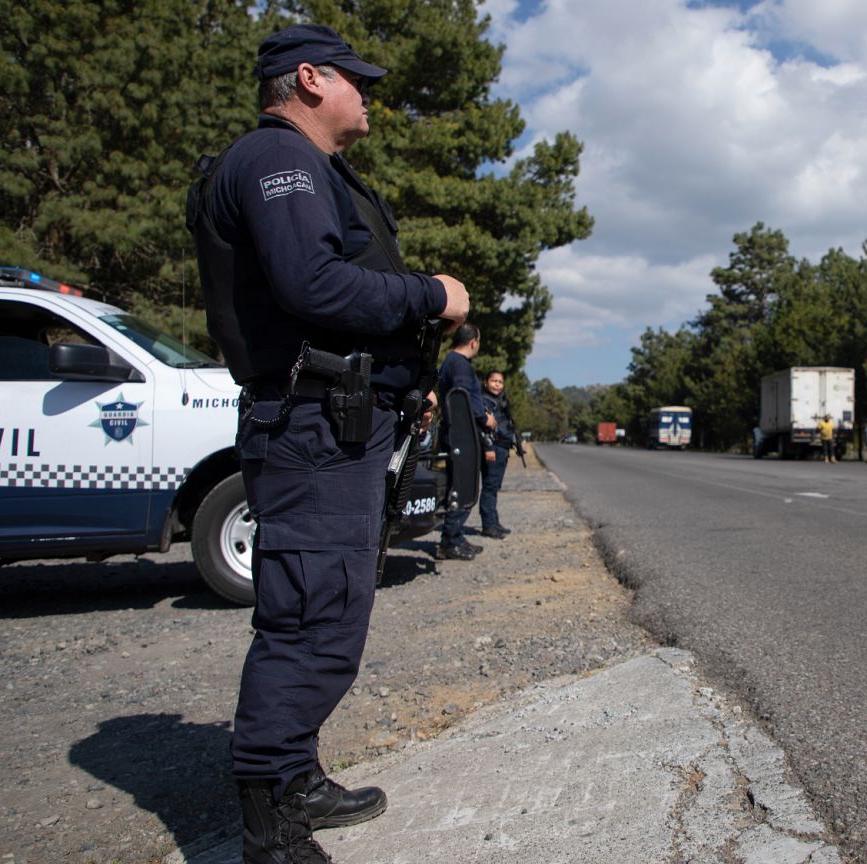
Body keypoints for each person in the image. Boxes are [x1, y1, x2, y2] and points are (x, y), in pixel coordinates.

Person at [187, 23, 470, 863]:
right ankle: (272, 828)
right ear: (310, 79)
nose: (369, 95)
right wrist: (432, 295)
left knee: (329, 610)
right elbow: (312, 284)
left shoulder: (308, 165)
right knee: (312, 617)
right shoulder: (279, 159)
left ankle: (295, 774)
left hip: (333, 422)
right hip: (312, 425)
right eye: (357, 80)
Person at [436, 323, 495, 559]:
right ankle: (450, 541)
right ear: (473, 342)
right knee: (463, 486)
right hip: (461, 434)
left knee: (460, 484)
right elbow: (461, 398)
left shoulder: (450, 362)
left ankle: (456, 536)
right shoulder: (460, 365)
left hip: (455, 432)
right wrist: (484, 417)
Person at [479, 369, 520, 538]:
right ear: (486, 383)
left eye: (500, 382)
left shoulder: (501, 401)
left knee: (494, 487)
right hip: (493, 448)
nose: (497, 384)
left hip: (502, 448)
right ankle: (488, 525)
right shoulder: (484, 401)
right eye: (494, 381)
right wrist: (488, 449)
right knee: (489, 487)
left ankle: (494, 522)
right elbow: (484, 428)